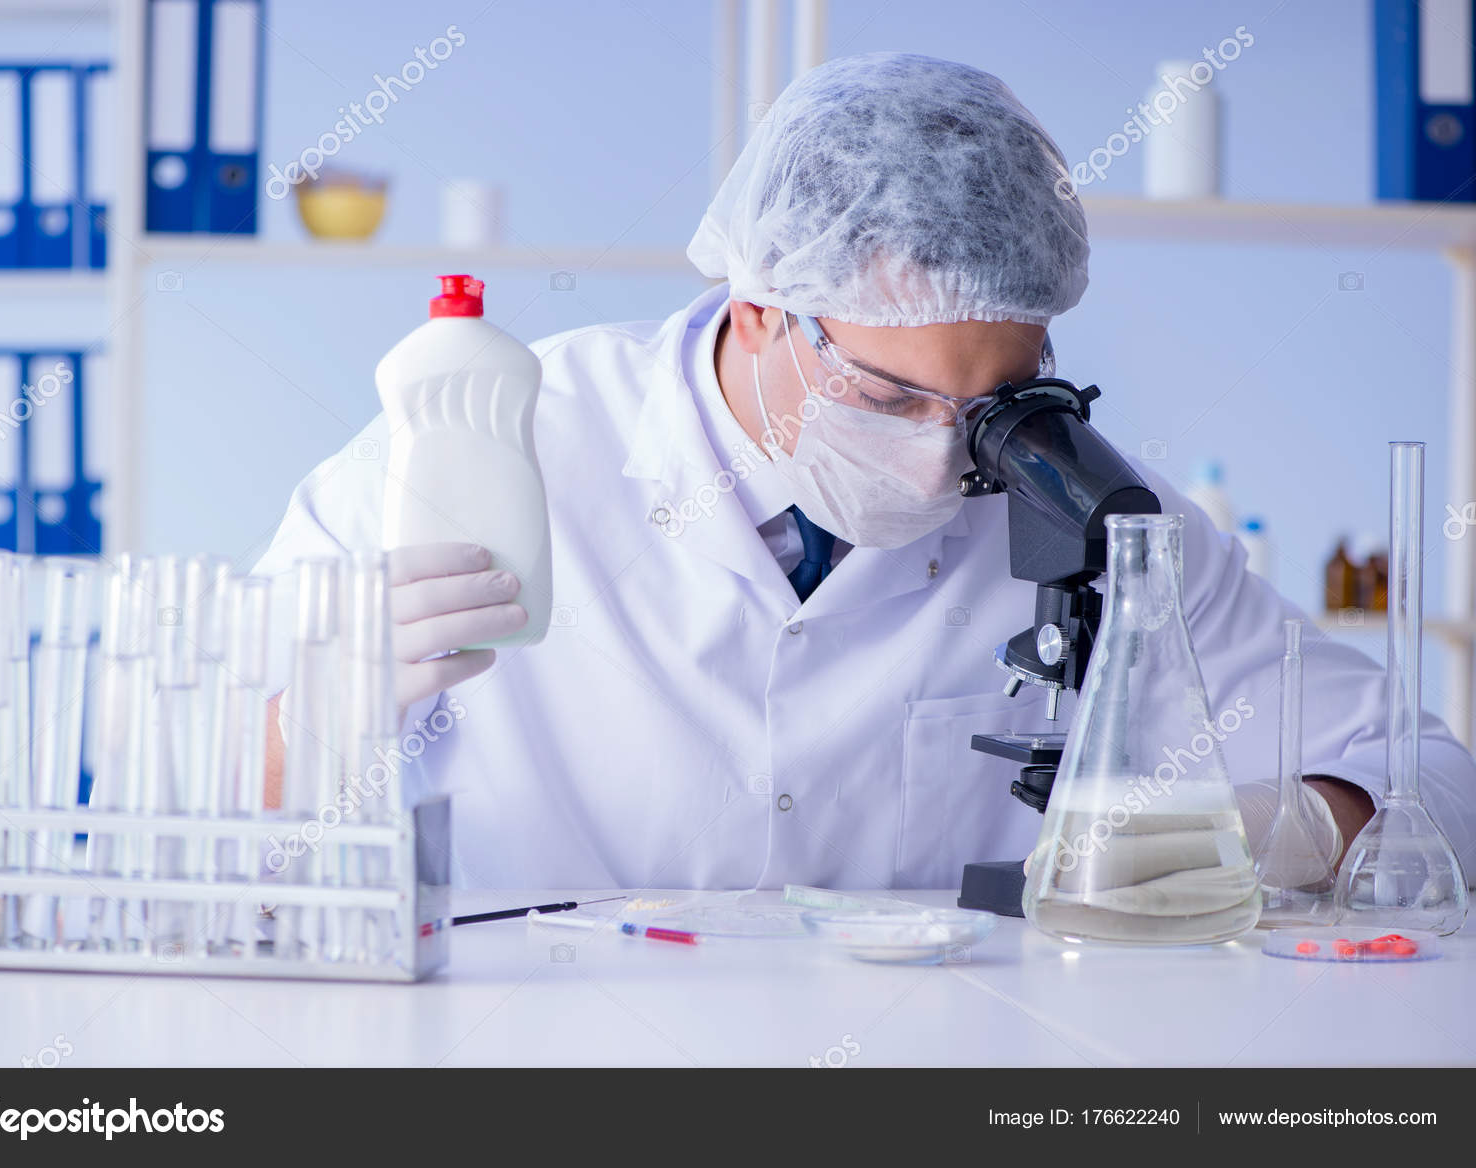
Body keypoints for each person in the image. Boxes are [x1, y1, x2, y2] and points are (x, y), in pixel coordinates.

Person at [253, 53, 1476, 890]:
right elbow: (192, 799)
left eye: (990, 404)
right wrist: (315, 717)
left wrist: (1296, 825)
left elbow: (1434, 780)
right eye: (890, 395)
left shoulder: (1093, 513)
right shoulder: (500, 433)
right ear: (757, 312)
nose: (948, 453)